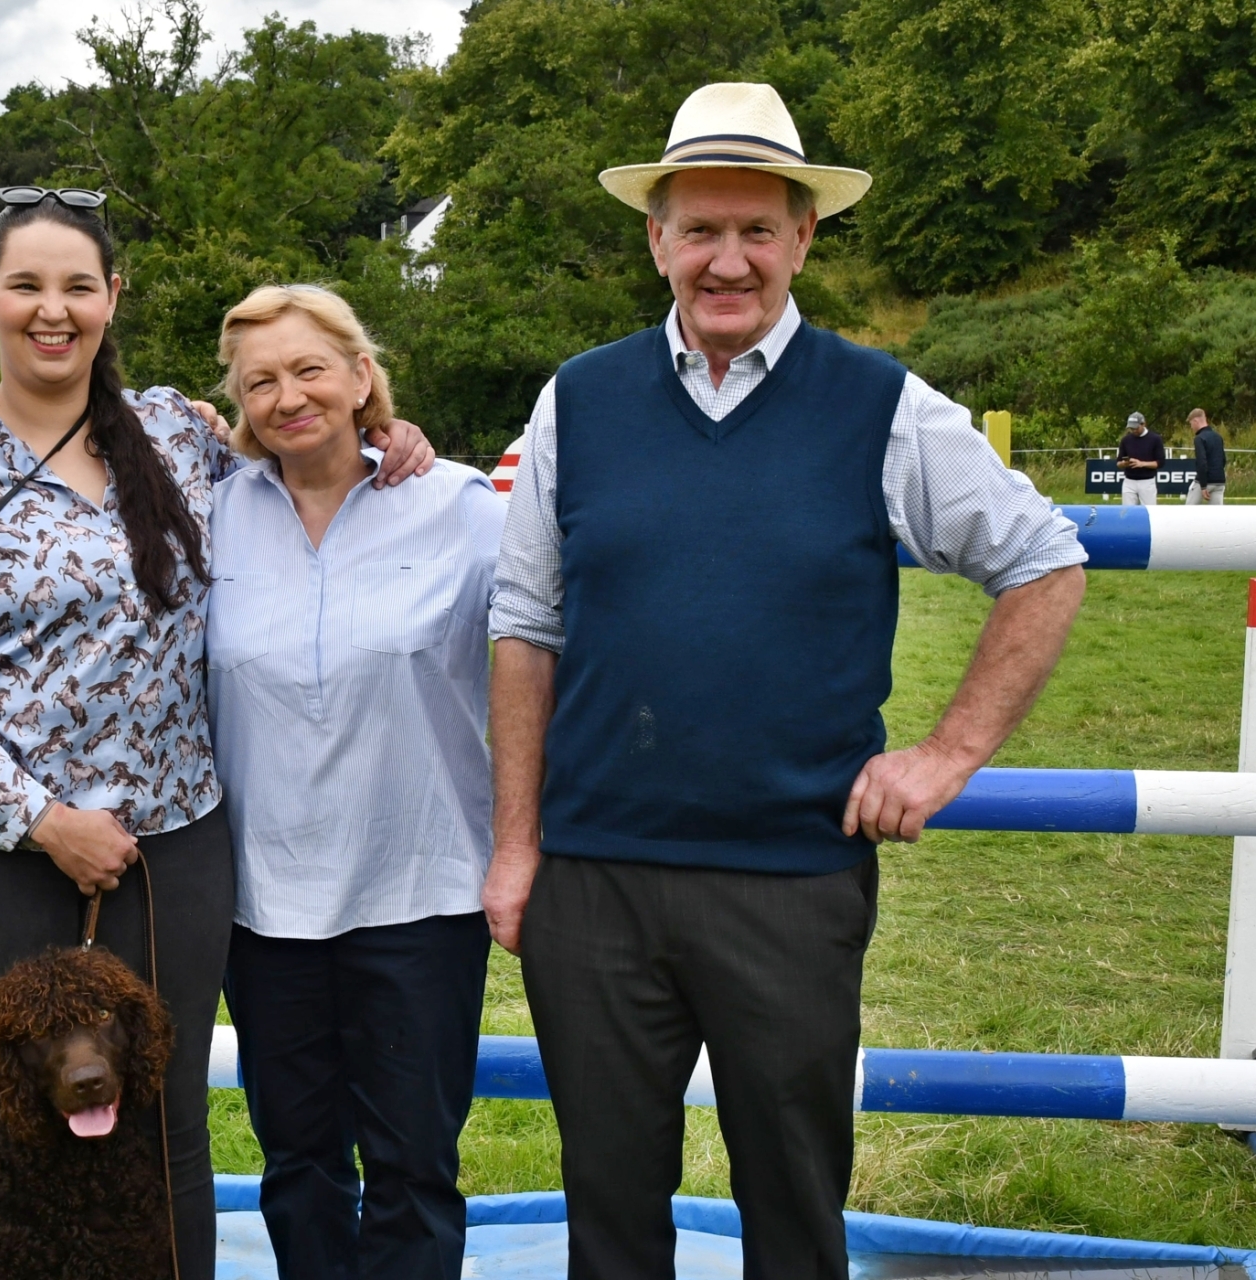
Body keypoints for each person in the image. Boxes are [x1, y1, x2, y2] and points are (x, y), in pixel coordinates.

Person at [482, 82, 1088, 1280]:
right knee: (607, 1208)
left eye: (758, 228)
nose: (728, 259)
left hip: (793, 878)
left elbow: (1044, 560)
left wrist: (947, 753)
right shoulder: (578, 398)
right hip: (596, 878)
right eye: (700, 228)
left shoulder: (881, 403)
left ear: (804, 237)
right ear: (655, 238)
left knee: (796, 1206)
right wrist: (516, 846)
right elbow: (526, 626)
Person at [0, 191, 431, 1280]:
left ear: (112, 297)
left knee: (166, 1120)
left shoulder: (179, 433)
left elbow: (298, 469)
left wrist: (381, 431)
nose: (53, 309)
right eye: (27, 285)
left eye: (78, 286)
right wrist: (44, 821)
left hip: (172, 843)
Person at [207, 285, 503, 1280]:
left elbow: (550, 645)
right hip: (264, 904)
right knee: (298, 1164)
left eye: (310, 369)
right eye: (261, 381)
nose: (288, 397)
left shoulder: (459, 506)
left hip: (420, 890)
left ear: (362, 374)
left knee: (414, 1164)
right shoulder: (209, 515)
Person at [1119, 410, 1164, 505]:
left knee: (1149, 510)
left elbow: (1160, 462)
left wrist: (1142, 464)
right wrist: (1124, 463)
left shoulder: (1155, 439)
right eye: (1131, 428)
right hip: (1129, 481)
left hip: (1147, 481)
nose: (1134, 430)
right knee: (1127, 511)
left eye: (1136, 428)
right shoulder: (1126, 440)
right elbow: (1118, 462)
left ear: (1143, 424)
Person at [1187, 408, 1226, 505]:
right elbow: (1223, 460)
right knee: (1216, 514)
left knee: (1188, 511)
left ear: (1195, 421)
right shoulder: (1218, 437)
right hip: (1219, 481)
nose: (1191, 427)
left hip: (1205, 481)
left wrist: (1203, 486)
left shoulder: (1199, 438)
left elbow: (1202, 463)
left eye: (1191, 423)